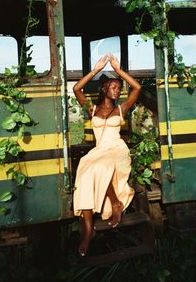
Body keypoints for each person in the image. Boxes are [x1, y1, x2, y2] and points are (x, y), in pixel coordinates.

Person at [73, 54, 141, 256]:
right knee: (85, 170)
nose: (117, 90)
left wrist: (118, 70)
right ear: (104, 89)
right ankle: (88, 230)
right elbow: (77, 89)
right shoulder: (92, 110)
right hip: (100, 150)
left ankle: (116, 203)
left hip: (117, 150)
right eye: (114, 86)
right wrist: (96, 70)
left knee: (100, 166)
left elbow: (137, 88)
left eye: (119, 88)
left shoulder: (122, 109)